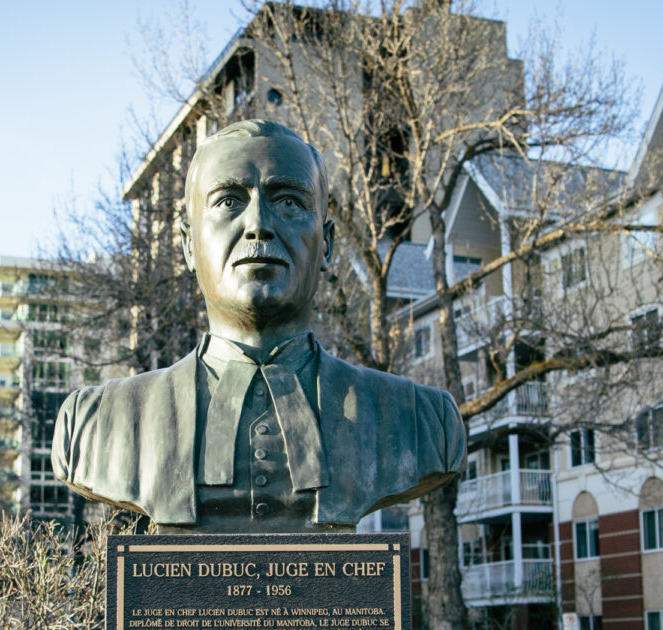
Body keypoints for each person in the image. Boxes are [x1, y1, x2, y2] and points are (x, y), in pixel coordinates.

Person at [51, 120, 464, 533]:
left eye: (288, 202)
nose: (258, 224)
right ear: (188, 244)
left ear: (328, 243)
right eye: (229, 201)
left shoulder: (421, 420)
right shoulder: (95, 424)